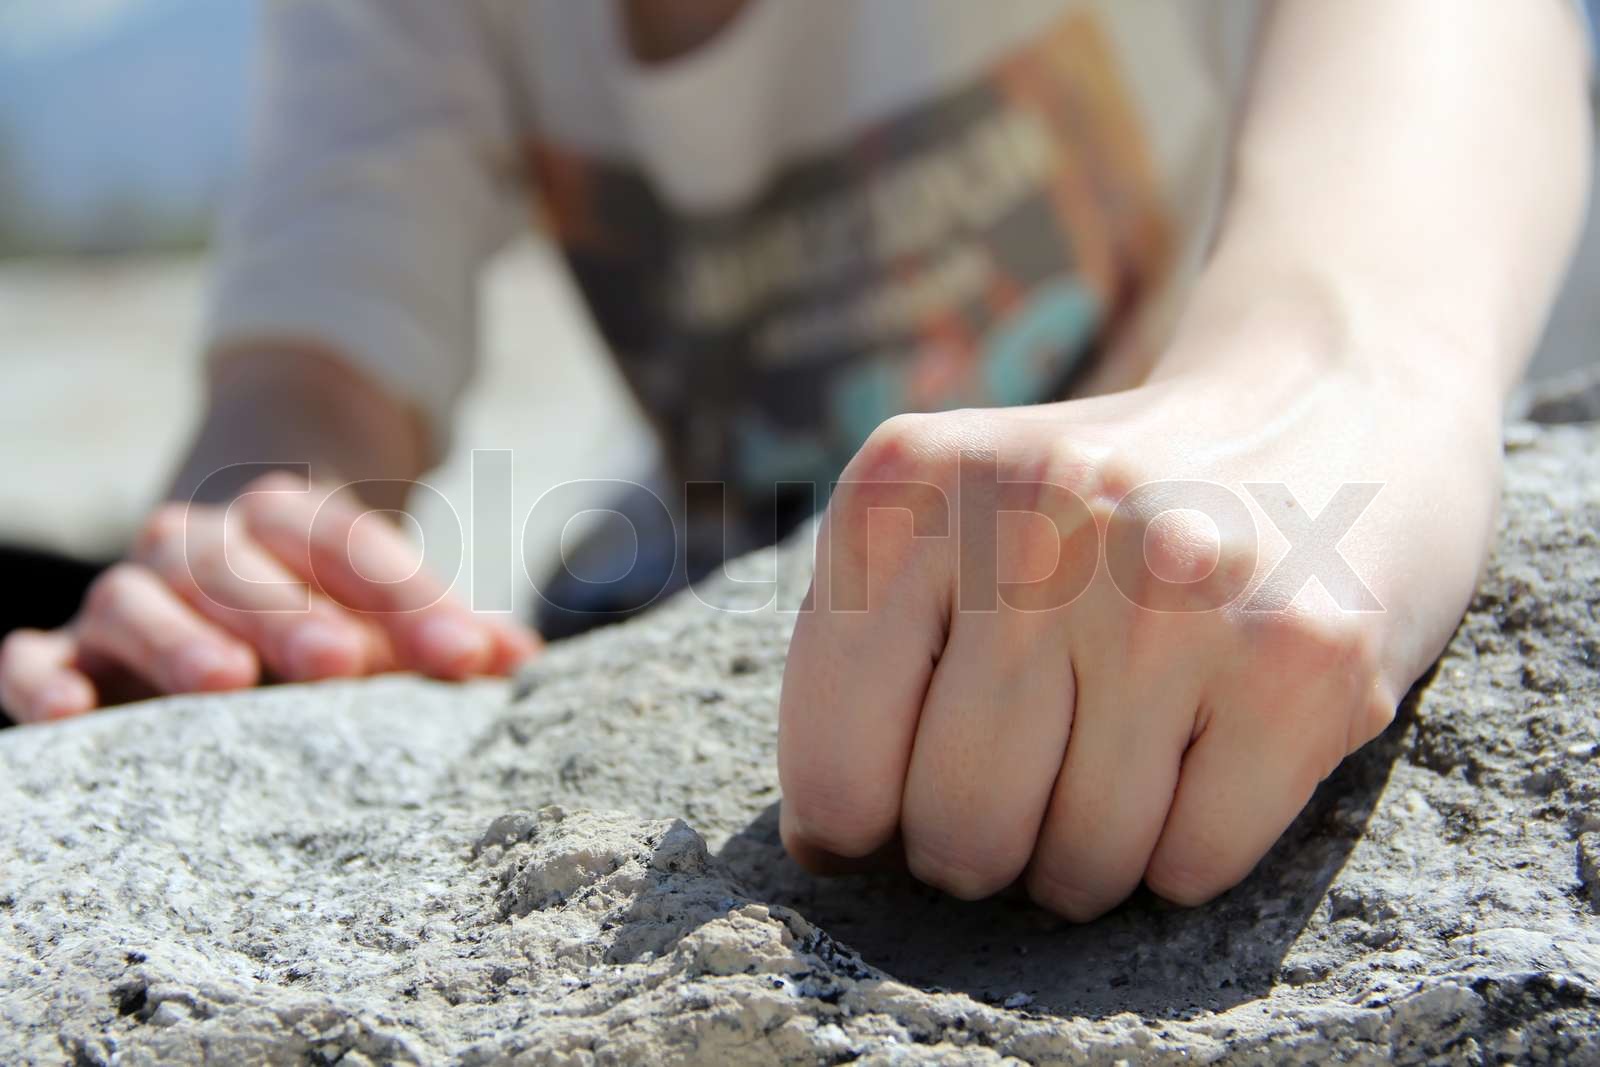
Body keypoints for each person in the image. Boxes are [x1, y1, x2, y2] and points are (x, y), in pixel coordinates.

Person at [0, 0, 1590, 918]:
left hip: (1188, 464)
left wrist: (1332, 373)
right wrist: (247, 562)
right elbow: (310, 378)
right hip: (720, 545)